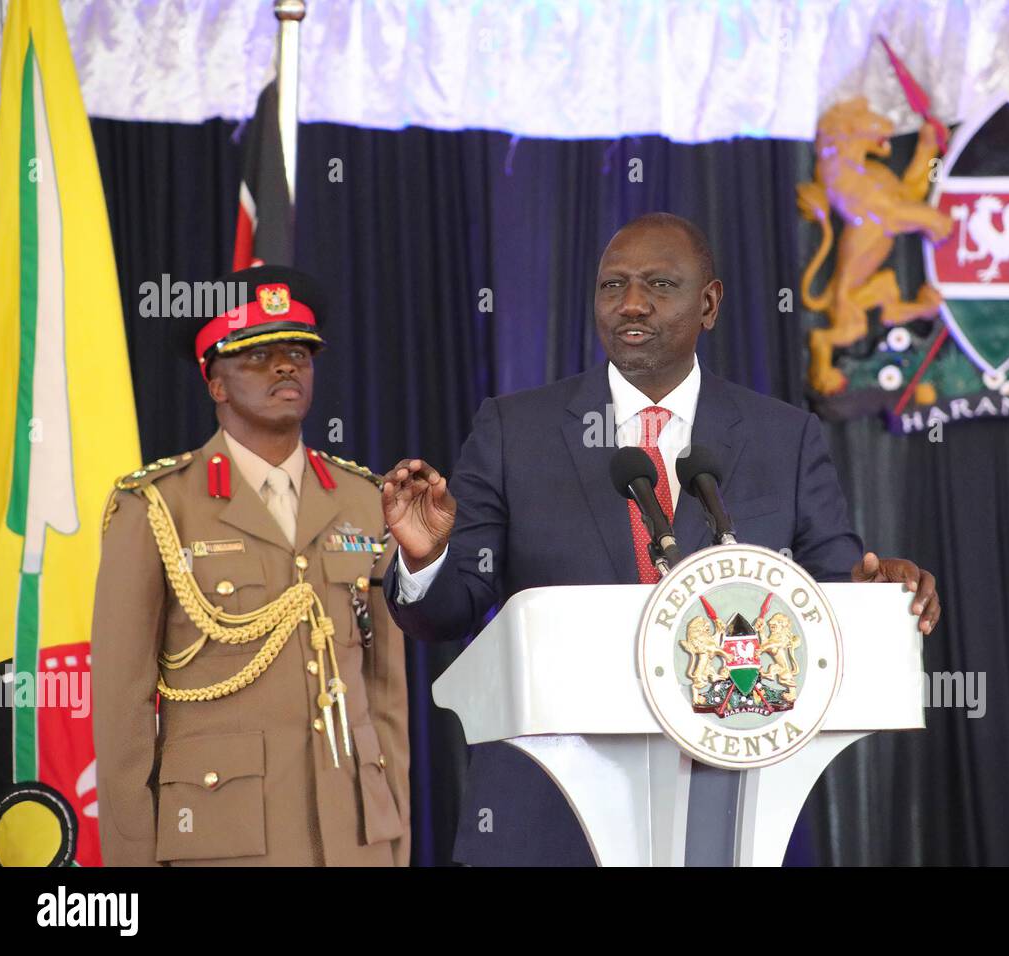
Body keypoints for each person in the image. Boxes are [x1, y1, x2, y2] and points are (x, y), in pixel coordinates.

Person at [382, 212, 941, 865]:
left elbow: (832, 591)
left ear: (708, 304)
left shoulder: (782, 438)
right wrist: (426, 558)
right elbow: (450, 610)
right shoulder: (515, 430)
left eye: (658, 285)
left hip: (731, 807)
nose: (632, 303)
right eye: (612, 285)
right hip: (551, 814)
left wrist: (877, 597)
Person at [92, 266, 410, 866]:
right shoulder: (158, 507)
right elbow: (122, 715)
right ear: (216, 383)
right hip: (222, 841)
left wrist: (394, 844)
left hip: (354, 840)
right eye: (259, 355)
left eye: (298, 354)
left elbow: (386, 694)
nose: (285, 367)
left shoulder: (364, 501)